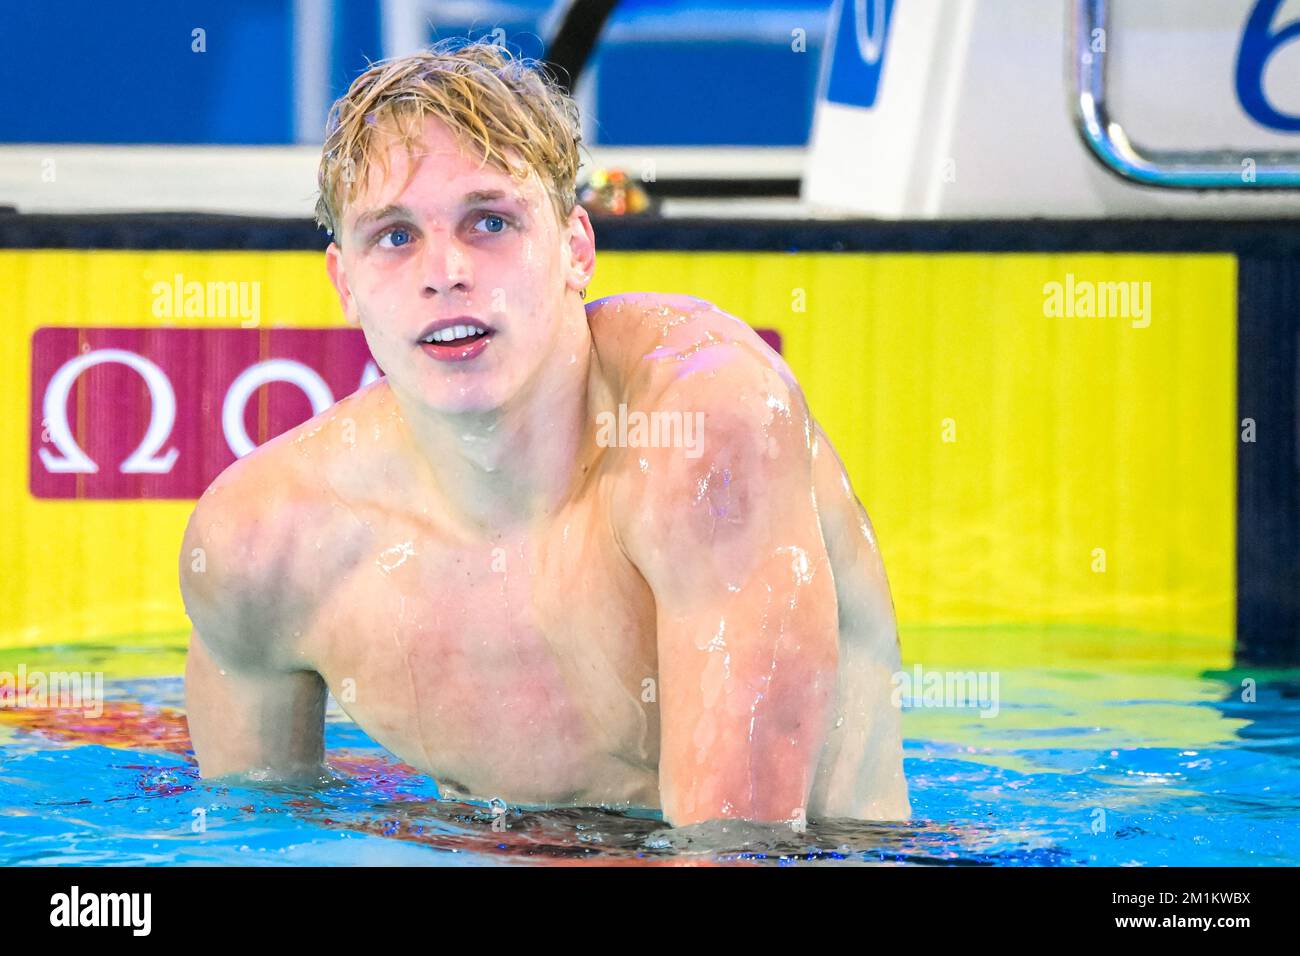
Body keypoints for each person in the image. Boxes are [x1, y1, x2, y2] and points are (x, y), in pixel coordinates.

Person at [180, 37, 910, 828]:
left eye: (489, 221)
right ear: (343, 282)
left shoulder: (700, 427)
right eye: (394, 236)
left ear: (576, 248)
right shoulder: (263, 546)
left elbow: (740, 848)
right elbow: (245, 837)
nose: (444, 271)